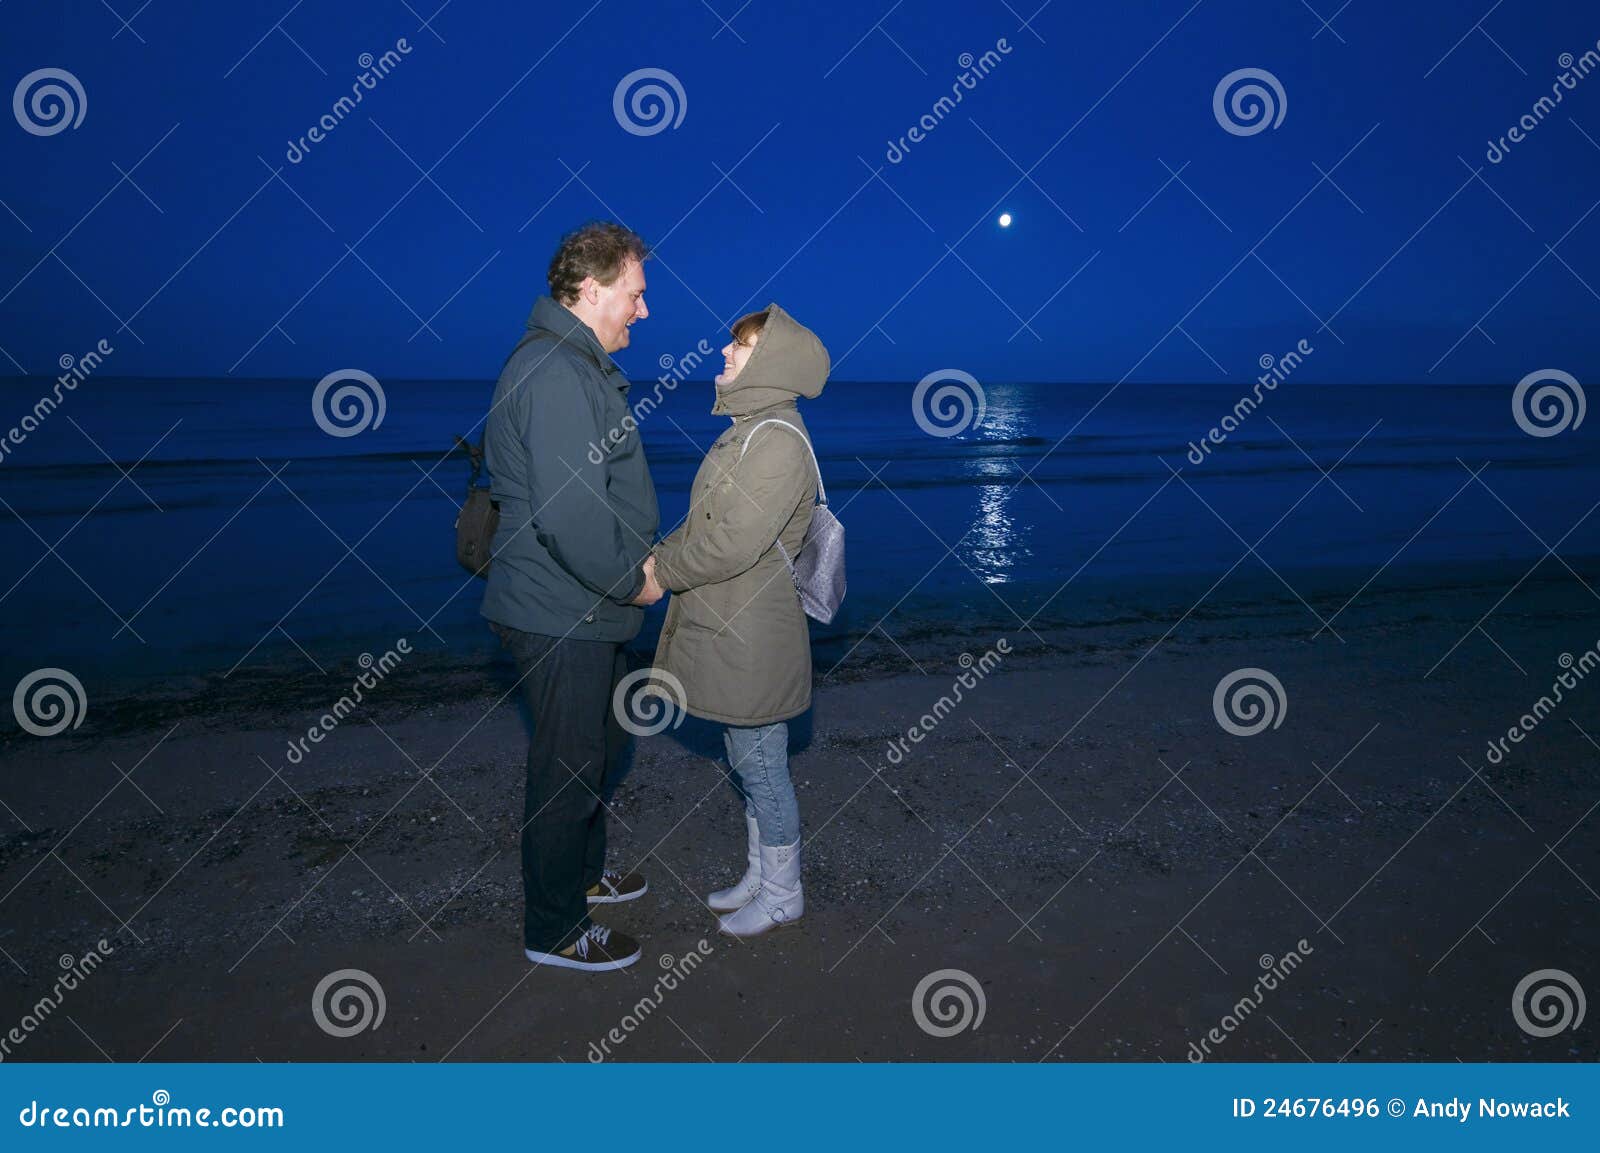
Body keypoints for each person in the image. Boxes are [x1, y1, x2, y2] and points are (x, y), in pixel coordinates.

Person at [481, 221, 665, 973]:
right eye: (634, 294)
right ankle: (555, 929)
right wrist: (637, 578)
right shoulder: (555, 371)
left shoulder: (577, 364)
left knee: (598, 749)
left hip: (589, 608)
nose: (643, 312)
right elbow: (570, 514)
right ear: (590, 291)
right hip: (561, 611)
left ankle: (585, 873)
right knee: (568, 767)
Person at [650, 303, 829, 937]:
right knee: (745, 754)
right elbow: (708, 526)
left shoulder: (776, 440)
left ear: (773, 362)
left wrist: (660, 575)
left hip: (753, 633)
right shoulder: (754, 428)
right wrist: (661, 556)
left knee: (762, 763)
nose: (724, 354)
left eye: (741, 347)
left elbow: (733, 544)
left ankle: (784, 893)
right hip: (734, 627)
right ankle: (761, 875)